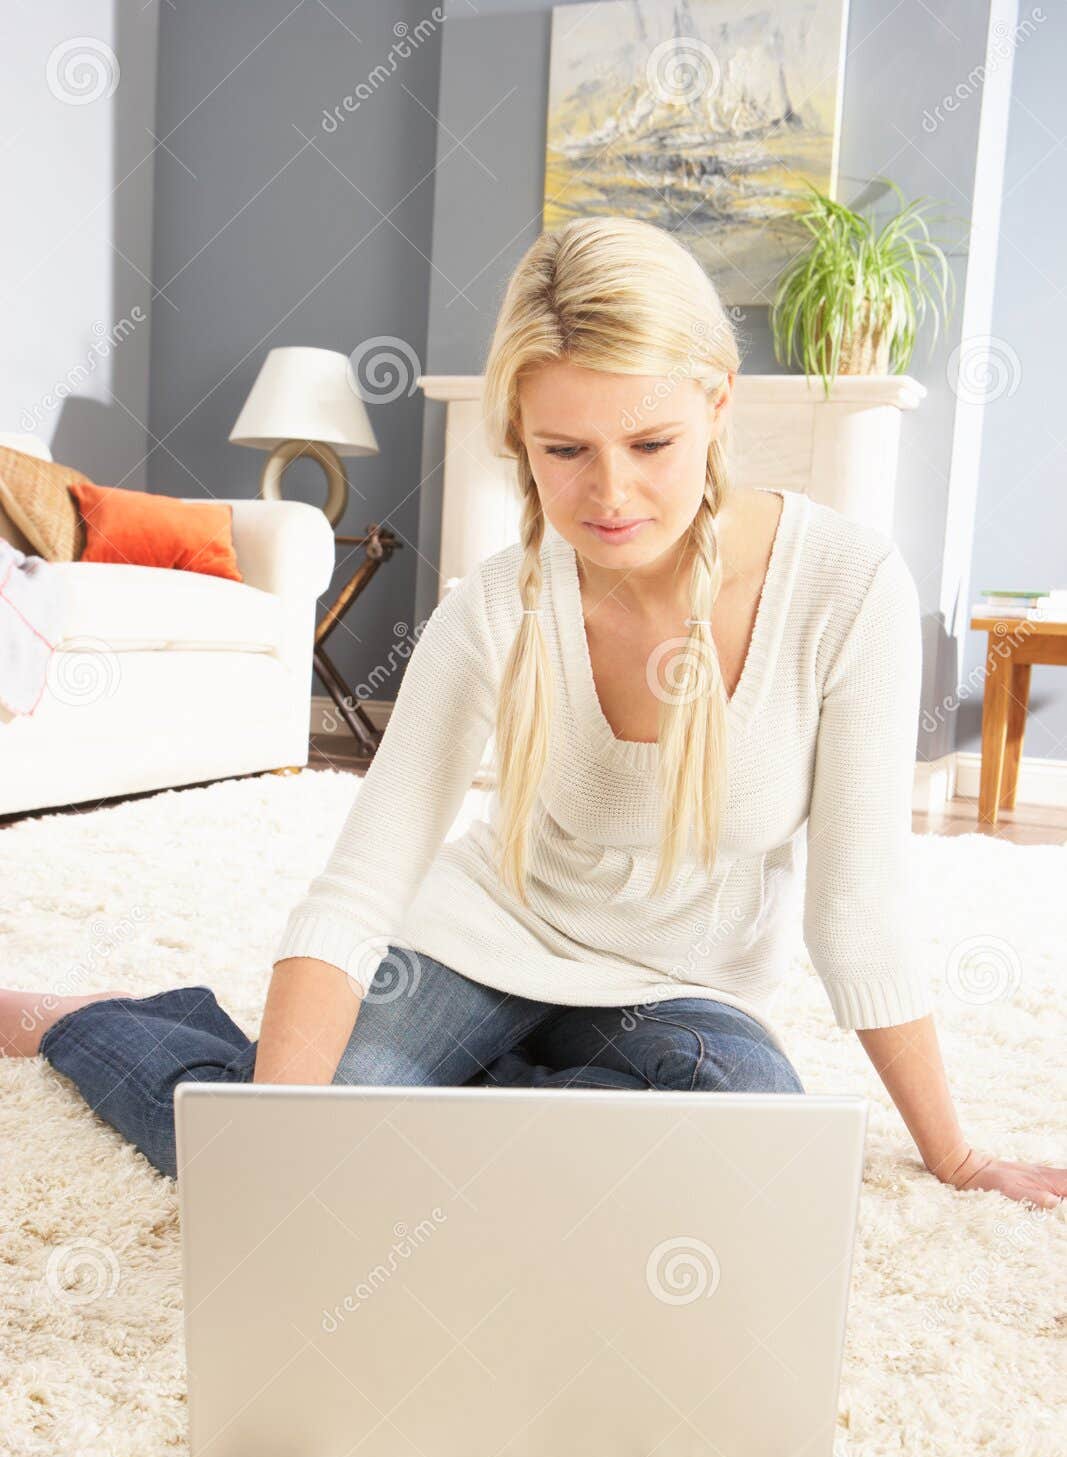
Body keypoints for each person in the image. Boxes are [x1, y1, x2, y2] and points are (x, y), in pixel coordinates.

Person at [3, 216, 1062, 1212]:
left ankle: (470, 1104)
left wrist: (956, 1154)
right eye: (565, 451)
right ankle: (95, 1022)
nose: (611, 494)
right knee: (267, 1159)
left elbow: (856, 912)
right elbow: (360, 885)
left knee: (751, 1172)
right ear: (519, 434)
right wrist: (280, 1129)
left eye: (649, 443)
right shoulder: (495, 606)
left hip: (677, 993)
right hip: (471, 952)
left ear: (717, 404)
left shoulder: (845, 586)